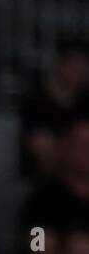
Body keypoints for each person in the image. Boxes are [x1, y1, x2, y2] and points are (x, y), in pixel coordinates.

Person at [18, 40, 89, 178]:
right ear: (60, 64)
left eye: (84, 68)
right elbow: (43, 152)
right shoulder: (36, 101)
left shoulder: (85, 101)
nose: (80, 74)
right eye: (75, 67)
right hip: (42, 180)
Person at [20, 120, 89, 254]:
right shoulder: (43, 196)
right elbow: (35, 242)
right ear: (64, 148)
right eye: (80, 146)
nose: (86, 152)